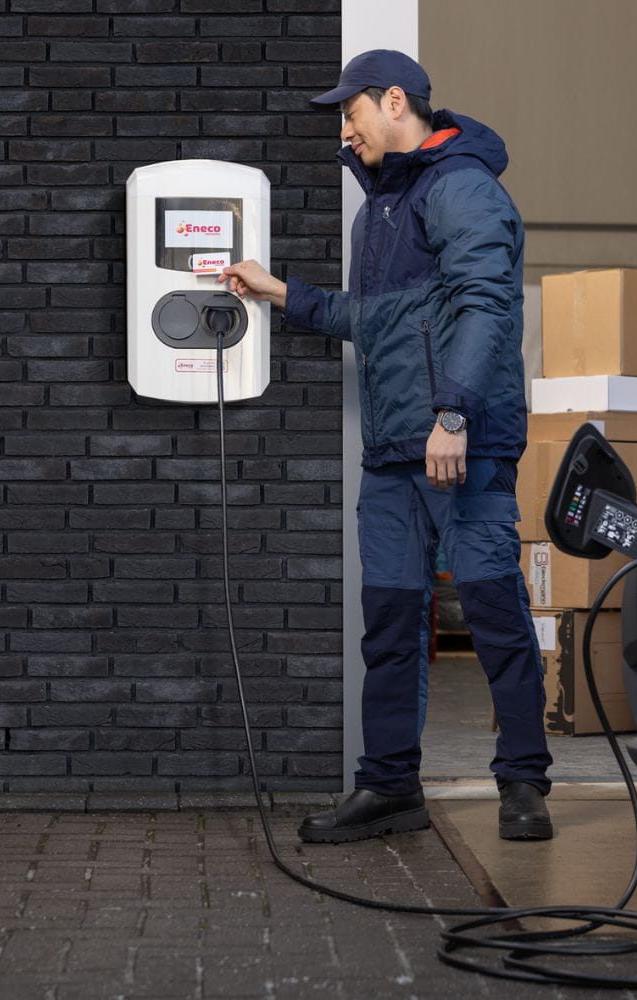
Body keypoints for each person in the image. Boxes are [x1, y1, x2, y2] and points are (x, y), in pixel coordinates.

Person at [219, 49, 553, 843]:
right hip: (397, 453)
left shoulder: (463, 188)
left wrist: (456, 415)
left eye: (350, 112)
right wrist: (283, 295)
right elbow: (373, 321)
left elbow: (486, 304)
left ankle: (524, 784)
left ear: (395, 100)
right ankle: (392, 787)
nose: (345, 129)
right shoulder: (380, 214)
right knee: (392, 621)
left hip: (460, 444)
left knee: (492, 609)